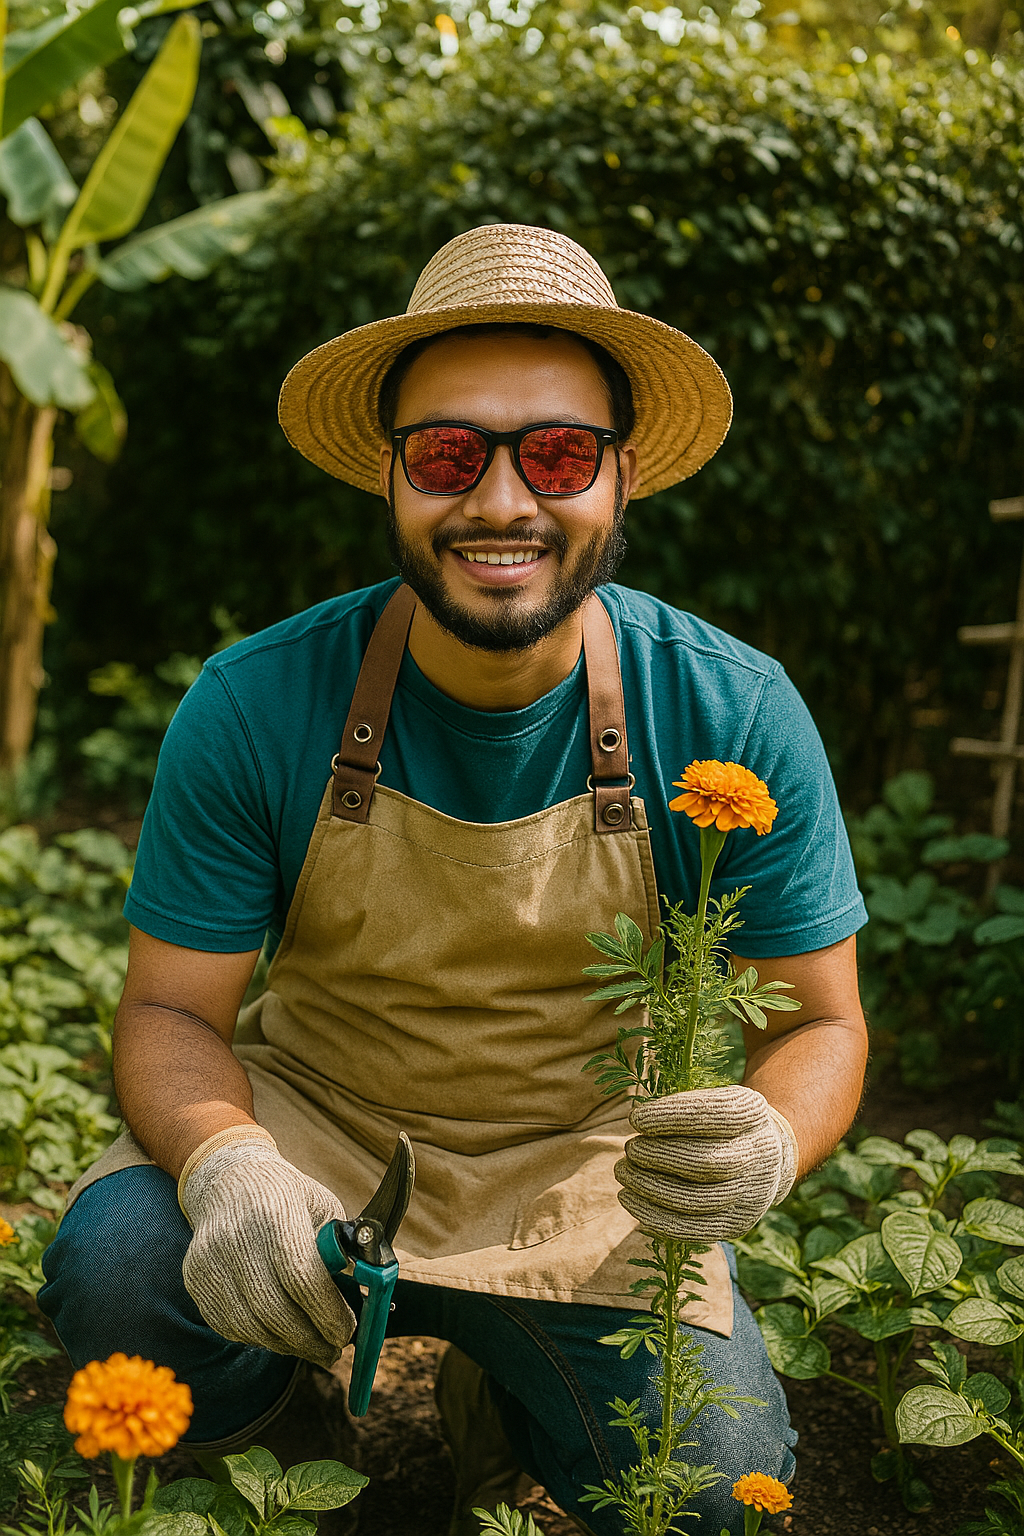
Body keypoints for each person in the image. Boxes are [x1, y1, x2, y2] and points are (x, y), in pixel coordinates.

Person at [39, 223, 868, 1536]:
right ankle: (286, 1429)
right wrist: (228, 1167)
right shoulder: (257, 702)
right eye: (447, 452)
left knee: (712, 1491)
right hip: (316, 1140)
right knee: (123, 1263)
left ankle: (505, 1393)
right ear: (391, 475)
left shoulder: (731, 708)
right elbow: (171, 1016)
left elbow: (823, 1021)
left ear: (622, 475)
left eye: (555, 452)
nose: (499, 500)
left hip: (584, 1177)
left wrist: (774, 1134)